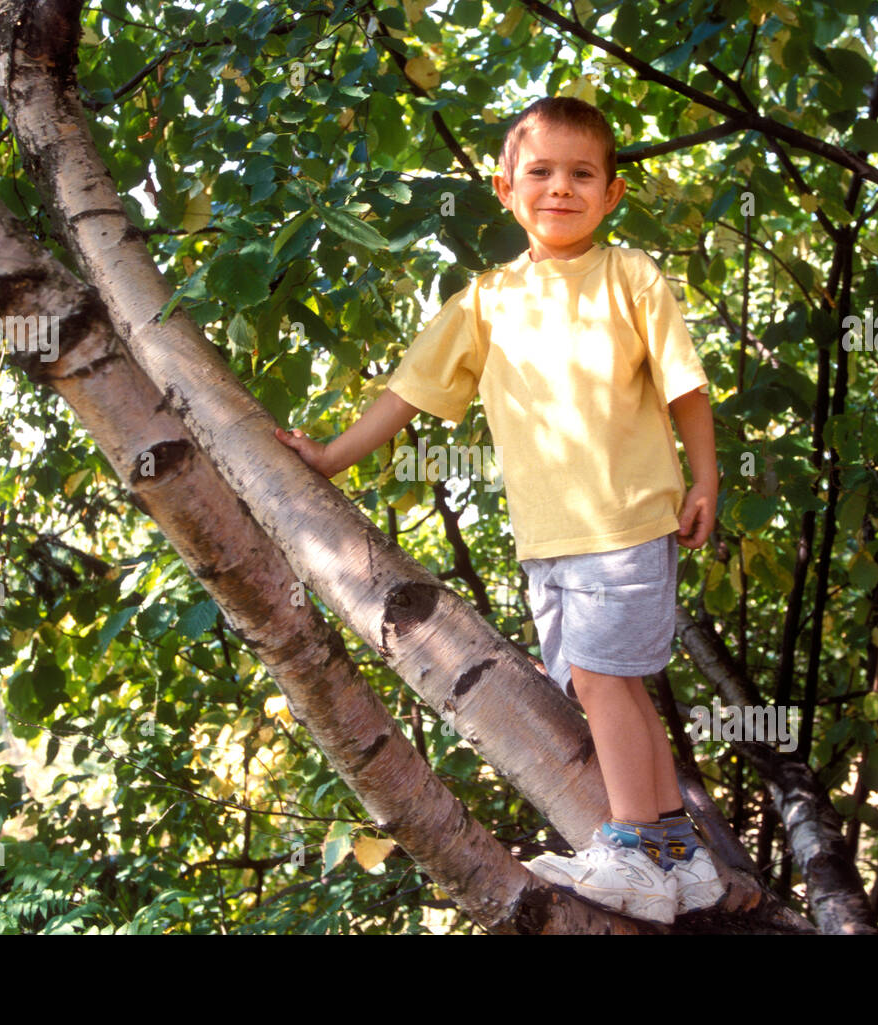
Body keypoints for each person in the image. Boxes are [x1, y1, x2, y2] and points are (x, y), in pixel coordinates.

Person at [275, 96, 724, 925]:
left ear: (613, 193)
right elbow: (407, 393)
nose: (562, 188)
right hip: (548, 538)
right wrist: (331, 455)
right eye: (542, 172)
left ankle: (632, 852)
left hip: (626, 520)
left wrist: (706, 481)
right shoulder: (488, 300)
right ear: (506, 186)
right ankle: (678, 858)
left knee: (605, 682)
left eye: (582, 174)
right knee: (611, 687)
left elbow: (686, 388)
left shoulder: (630, 277)